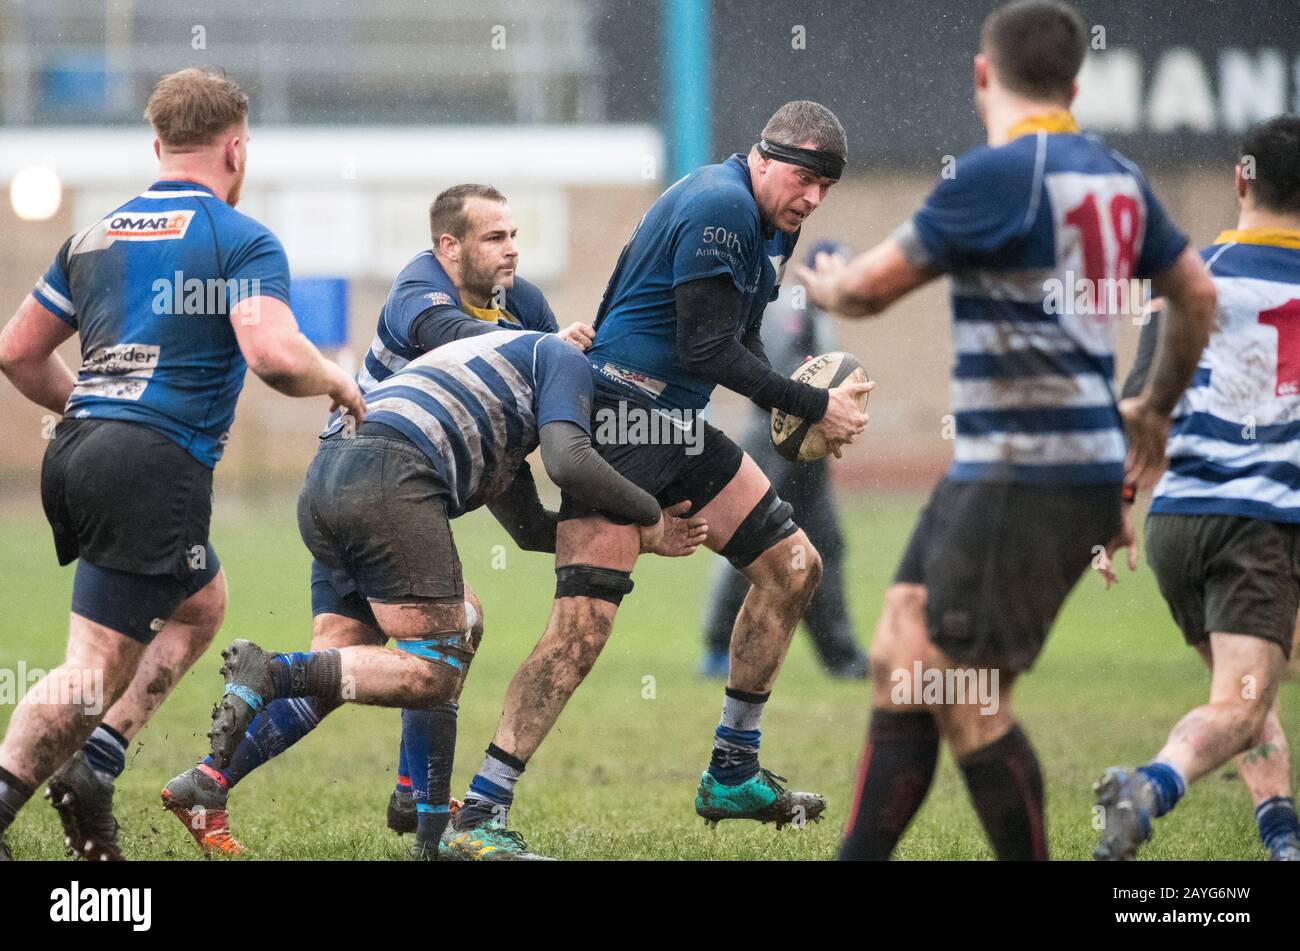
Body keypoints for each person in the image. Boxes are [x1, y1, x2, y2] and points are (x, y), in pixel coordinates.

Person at [799, 0, 1216, 860]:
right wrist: (1154, 409)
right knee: (898, 648)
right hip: (1019, 473)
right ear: (1073, 81)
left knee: (961, 689)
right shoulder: (1117, 175)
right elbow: (1195, 293)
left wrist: (827, 279)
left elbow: (871, 290)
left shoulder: (999, 175)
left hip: (1025, 477)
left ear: (984, 77)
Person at [442, 99, 875, 861]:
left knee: (793, 565)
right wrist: (812, 405)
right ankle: (478, 812)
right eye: (805, 178)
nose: (812, 197)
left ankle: (733, 770)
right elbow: (708, 347)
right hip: (614, 423)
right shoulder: (720, 206)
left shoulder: (775, 222)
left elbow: (739, 339)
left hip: (674, 424)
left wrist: (793, 419)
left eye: (826, 188)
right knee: (582, 630)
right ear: (764, 157)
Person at [160, 183, 595, 852]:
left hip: (356, 488)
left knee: (349, 659)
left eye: (514, 235)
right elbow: (462, 342)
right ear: (448, 247)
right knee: (454, 629)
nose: (512, 249)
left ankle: (209, 779)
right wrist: (547, 347)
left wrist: (581, 523)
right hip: (375, 480)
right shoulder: (418, 289)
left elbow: (517, 415)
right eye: (494, 237)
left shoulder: (525, 305)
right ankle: (422, 812)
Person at [0, 67, 364, 861]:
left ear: (157, 144)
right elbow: (270, 353)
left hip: (77, 452)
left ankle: (96, 760)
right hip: (150, 464)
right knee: (90, 670)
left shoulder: (92, 236)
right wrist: (335, 377)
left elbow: (16, 351)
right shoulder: (242, 240)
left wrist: (92, 413)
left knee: (200, 601)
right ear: (236, 149)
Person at [197, 329, 703, 859]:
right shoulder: (561, 358)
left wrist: (625, 542)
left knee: (374, 657)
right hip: (389, 475)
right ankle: (273, 673)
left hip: (329, 476)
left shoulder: (497, 399)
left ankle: (210, 780)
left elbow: (531, 529)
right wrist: (648, 516)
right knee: (437, 663)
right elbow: (569, 459)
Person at [1093, 114, 1300, 862]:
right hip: (1258, 518)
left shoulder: (1191, 275)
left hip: (1178, 520)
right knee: (1242, 701)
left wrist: (1111, 513)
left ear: (1241, 179)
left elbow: (1139, 398)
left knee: (1244, 690)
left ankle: (1280, 831)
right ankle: (1147, 788)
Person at [699, 240, 869, 680]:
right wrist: (814, 409)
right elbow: (776, 379)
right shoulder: (789, 309)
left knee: (824, 545)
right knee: (753, 542)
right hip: (775, 446)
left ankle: (842, 656)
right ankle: (719, 647)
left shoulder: (820, 314)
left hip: (807, 454)